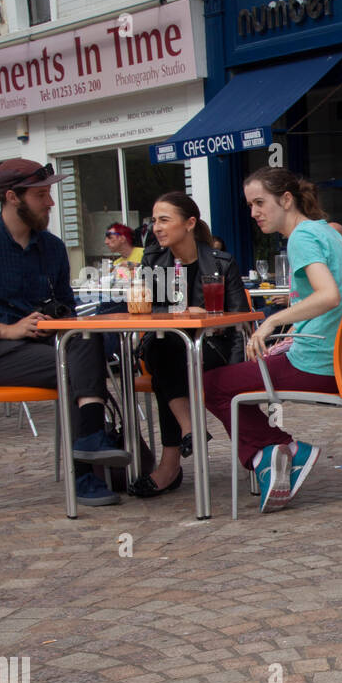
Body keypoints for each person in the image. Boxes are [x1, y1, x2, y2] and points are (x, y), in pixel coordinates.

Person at [0, 159, 127, 505]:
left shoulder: (50, 247)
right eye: (41, 195)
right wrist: (5, 330)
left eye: (49, 194)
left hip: (42, 347)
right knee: (72, 366)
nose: (50, 202)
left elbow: (66, 307)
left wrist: (55, 320)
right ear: (12, 197)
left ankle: (93, 443)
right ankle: (87, 468)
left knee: (82, 338)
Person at [204, 168, 342, 514]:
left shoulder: (302, 237)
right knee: (238, 383)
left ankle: (281, 451)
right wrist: (290, 335)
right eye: (250, 205)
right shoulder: (326, 231)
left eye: (260, 202)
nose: (254, 212)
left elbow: (329, 296)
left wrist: (272, 322)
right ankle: (272, 452)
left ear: (286, 199)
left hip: (317, 365)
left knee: (212, 384)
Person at [127, 192, 248, 498]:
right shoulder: (154, 259)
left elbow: (239, 320)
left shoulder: (221, 262)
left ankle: (171, 464)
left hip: (212, 349)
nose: (156, 227)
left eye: (164, 219)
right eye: (154, 220)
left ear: (190, 223)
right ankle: (189, 430)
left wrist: (207, 314)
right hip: (170, 349)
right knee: (164, 348)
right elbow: (151, 312)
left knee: (164, 362)